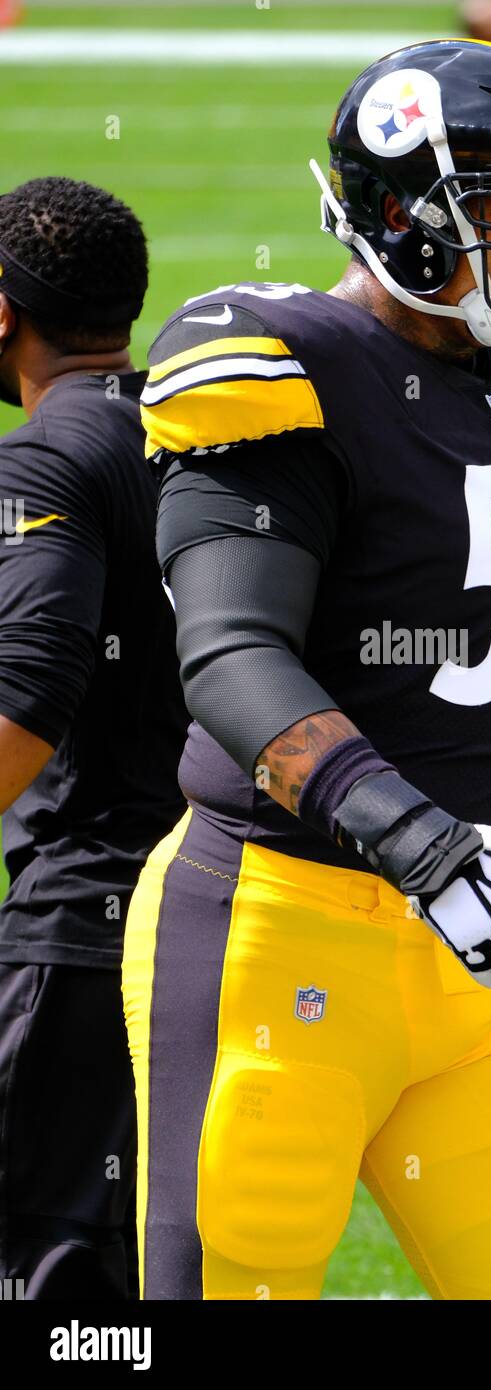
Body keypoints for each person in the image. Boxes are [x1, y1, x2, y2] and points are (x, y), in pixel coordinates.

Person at [123, 38, 491, 1301]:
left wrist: (456, 869)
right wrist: (426, 845)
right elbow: (232, 660)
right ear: (401, 219)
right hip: (276, 924)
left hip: (477, 952)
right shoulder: (280, 362)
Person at [0, 177, 187, 1299]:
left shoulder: (45, 459)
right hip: (217, 904)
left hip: (86, 920)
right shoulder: (190, 422)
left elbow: (29, 689)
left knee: (52, 1272)